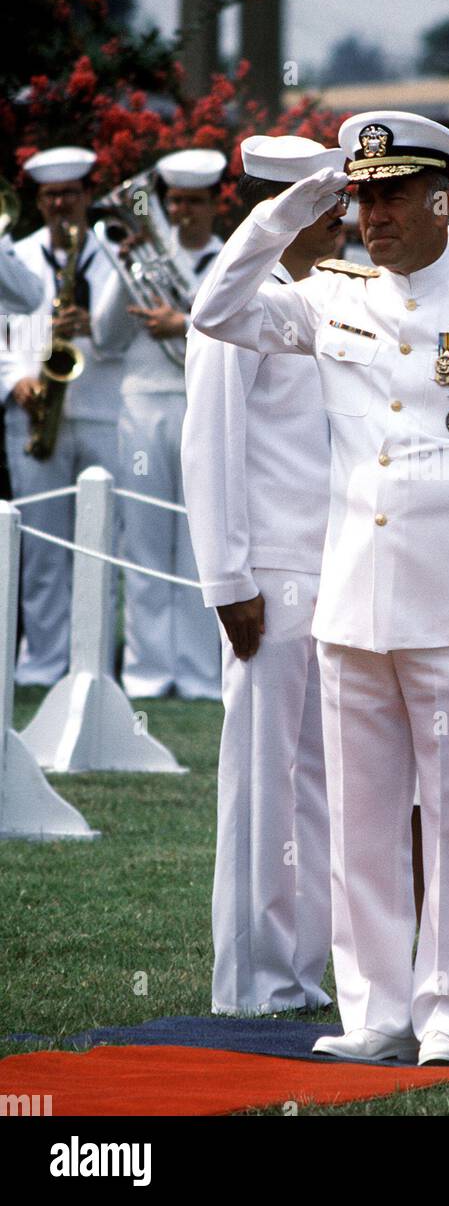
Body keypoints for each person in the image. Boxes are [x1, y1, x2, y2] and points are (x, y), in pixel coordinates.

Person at [191, 110, 449, 1067]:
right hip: (352, 602)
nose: (372, 214)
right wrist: (286, 214)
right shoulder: (331, 295)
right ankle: (373, 1011)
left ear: (445, 196)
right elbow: (216, 312)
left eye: (391, 194)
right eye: (360, 196)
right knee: (360, 824)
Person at [182, 135, 352, 1015]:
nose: (341, 226)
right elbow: (210, 443)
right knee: (259, 782)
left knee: (315, 780)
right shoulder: (242, 302)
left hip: (330, 570)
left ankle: (298, 971)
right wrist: (227, 578)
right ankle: (251, 979)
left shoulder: (314, 302)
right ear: (275, 215)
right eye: (323, 211)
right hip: (268, 575)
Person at [92, 149, 225, 699]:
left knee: (200, 546)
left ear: (215, 205)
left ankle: (197, 674)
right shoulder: (139, 255)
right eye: (175, 203)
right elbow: (104, 338)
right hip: (143, 406)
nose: (184, 212)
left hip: (203, 407)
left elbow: (236, 332)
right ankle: (148, 673)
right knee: (143, 543)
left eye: (195, 202)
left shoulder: (226, 259)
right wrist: (126, 273)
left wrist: (185, 321)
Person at [0, 146, 123, 685]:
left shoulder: (110, 252)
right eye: (51, 197)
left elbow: (129, 335)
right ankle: (45, 661)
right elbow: (9, 332)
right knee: (44, 546)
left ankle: (95, 662)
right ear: (39, 202)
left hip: (101, 409)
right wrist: (16, 380)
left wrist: (91, 325)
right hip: (36, 412)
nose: (61, 205)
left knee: (104, 542)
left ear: (88, 197)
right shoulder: (19, 255)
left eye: (71, 194)